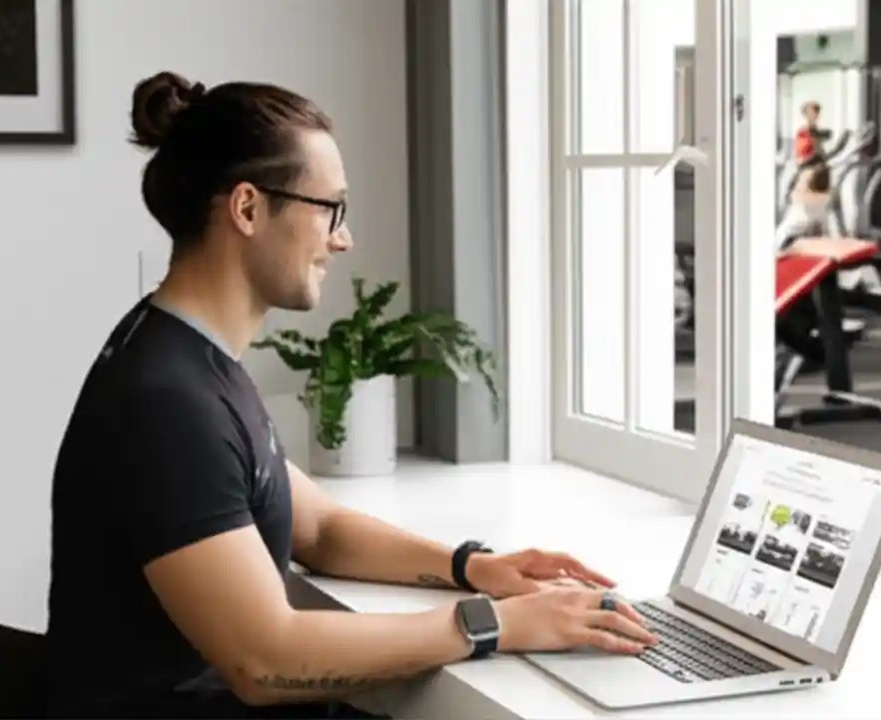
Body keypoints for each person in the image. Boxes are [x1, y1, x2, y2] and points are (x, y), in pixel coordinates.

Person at [44, 71, 658, 719]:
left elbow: (321, 529)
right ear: (248, 209)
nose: (343, 238)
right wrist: (496, 623)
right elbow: (266, 661)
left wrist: (476, 567)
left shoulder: (189, 356)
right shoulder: (167, 400)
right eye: (330, 208)